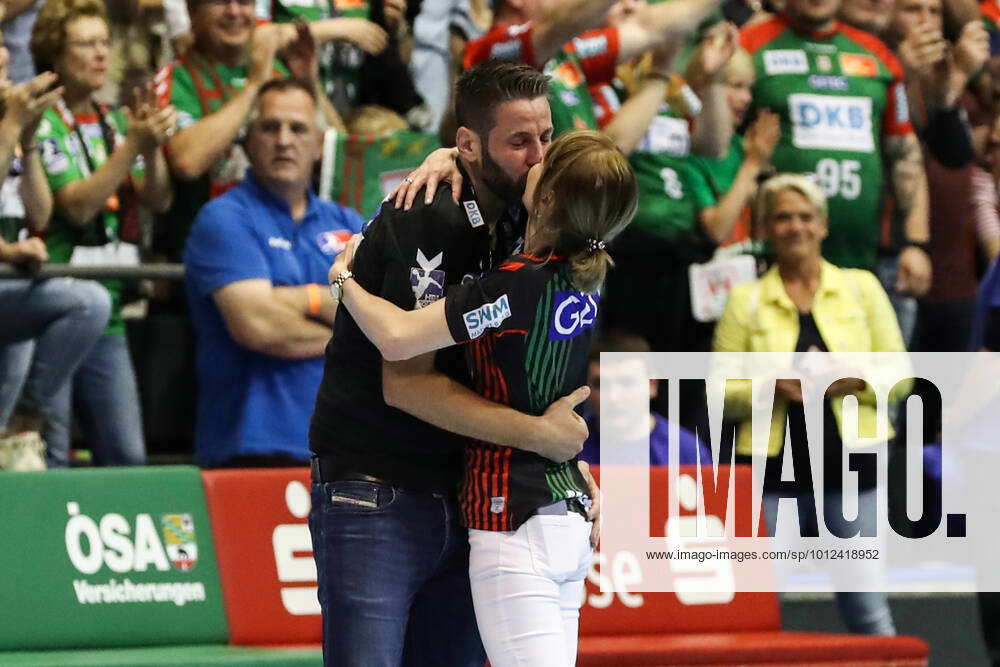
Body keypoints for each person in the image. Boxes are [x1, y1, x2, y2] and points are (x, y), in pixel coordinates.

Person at [308, 59, 593, 667]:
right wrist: (541, 437)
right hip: (378, 485)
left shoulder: (532, 214)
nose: (539, 158)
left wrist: (562, 462)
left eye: (546, 136)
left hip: (469, 492)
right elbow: (406, 383)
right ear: (470, 144)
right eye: (519, 141)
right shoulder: (429, 215)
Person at [713, 173, 907, 635]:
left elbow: (901, 377)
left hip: (853, 468)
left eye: (805, 216)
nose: (795, 226)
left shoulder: (862, 288)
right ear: (766, 228)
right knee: (764, 609)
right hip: (772, 474)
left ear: (823, 224)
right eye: (783, 217)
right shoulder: (746, 300)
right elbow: (716, 392)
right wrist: (771, 387)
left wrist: (856, 381)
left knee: (867, 607)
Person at [184, 78, 363, 468]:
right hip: (252, 447)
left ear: (319, 144)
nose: (284, 141)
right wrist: (345, 331)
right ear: (249, 141)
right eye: (269, 127)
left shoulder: (348, 223)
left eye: (297, 128)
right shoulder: (223, 218)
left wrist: (297, 299)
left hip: (345, 446)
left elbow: (383, 315)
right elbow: (258, 325)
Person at [29, 0, 176, 467]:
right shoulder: (42, 120)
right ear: (55, 53)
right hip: (55, 306)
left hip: (108, 305)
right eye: (86, 44)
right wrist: (133, 145)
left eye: (104, 42)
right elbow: (76, 207)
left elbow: (159, 199)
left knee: (127, 454)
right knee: (51, 453)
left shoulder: (112, 119)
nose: (100, 54)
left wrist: (149, 148)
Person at [740, 0, 932, 342]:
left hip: (864, 261)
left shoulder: (878, 56)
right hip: (772, 259)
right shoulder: (750, 44)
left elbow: (905, 154)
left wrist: (917, 243)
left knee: (871, 373)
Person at [155, 0, 338, 262]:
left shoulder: (280, 72)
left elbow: (339, 157)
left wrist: (310, 84)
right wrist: (254, 86)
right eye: (220, 2)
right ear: (193, 13)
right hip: (209, 253)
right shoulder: (176, 79)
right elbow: (187, 162)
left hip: (289, 248)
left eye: (244, 2)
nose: (234, 12)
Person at [580, 331, 710, 466]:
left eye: (627, 383)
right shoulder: (569, 444)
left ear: (652, 385)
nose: (613, 397)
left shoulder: (686, 452)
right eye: (600, 384)